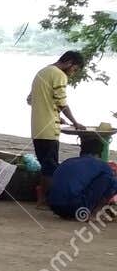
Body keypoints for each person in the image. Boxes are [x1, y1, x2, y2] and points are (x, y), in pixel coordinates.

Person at [28, 49, 85, 177]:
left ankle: (43, 190)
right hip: (49, 132)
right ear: (69, 62)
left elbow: (30, 100)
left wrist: (57, 115)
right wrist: (75, 122)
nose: (73, 73)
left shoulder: (42, 72)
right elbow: (62, 103)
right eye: (74, 69)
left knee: (45, 167)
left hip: (37, 129)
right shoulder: (59, 74)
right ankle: (50, 191)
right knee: (51, 169)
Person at [46, 133, 117, 219]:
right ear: (99, 154)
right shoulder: (101, 165)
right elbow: (113, 187)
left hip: (55, 207)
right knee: (107, 178)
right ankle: (95, 212)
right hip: (77, 208)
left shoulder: (67, 161)